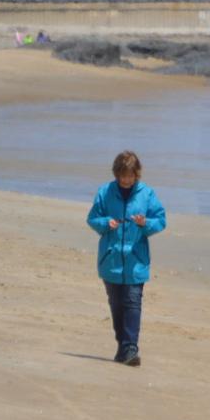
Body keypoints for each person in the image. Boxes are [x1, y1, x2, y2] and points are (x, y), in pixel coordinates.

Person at [86, 150, 167, 367]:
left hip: (136, 261)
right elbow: (93, 218)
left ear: (136, 175)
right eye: (122, 176)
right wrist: (106, 223)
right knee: (116, 304)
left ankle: (131, 347)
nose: (126, 180)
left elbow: (160, 220)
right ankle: (123, 346)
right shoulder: (105, 192)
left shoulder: (146, 194)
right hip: (111, 260)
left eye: (130, 176)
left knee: (132, 302)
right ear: (117, 174)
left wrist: (145, 223)